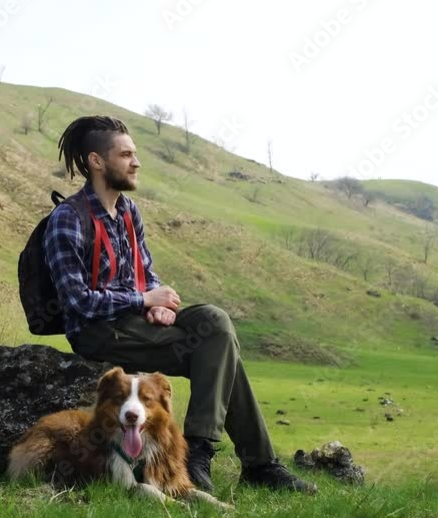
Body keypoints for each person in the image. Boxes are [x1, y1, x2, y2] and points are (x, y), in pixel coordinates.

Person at [42, 115, 316, 494]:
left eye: (135, 154)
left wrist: (159, 303)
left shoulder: (127, 212)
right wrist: (142, 299)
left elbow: (145, 273)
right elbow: (77, 302)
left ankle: (212, 452)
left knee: (215, 322)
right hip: (99, 331)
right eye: (126, 155)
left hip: (137, 321)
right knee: (219, 355)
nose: (136, 162)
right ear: (96, 162)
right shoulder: (68, 220)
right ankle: (247, 462)